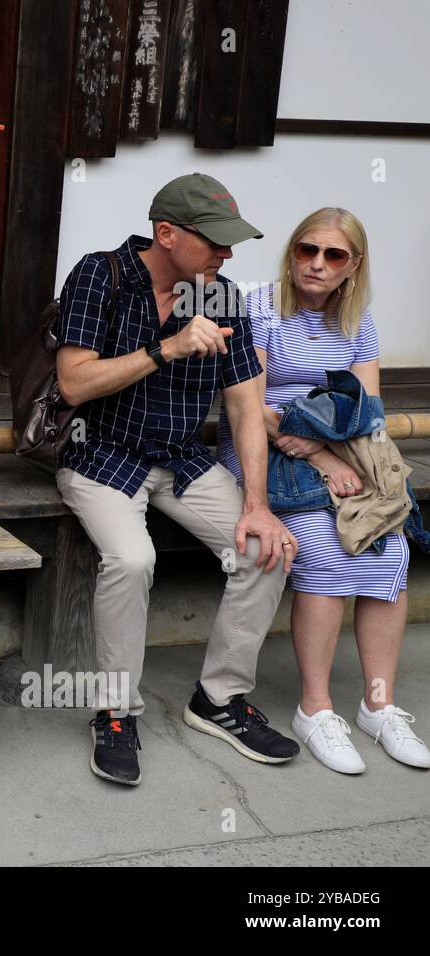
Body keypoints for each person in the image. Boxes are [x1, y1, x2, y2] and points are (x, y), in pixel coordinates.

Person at [56, 172, 301, 786]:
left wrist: (257, 503)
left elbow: (247, 406)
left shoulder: (221, 296)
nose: (227, 254)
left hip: (182, 460)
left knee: (265, 549)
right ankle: (115, 712)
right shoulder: (101, 274)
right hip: (101, 456)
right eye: (215, 241)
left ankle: (217, 698)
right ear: (167, 234)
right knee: (132, 559)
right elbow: (73, 383)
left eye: (230, 243)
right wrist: (165, 349)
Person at [215, 207, 430, 773]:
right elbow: (249, 405)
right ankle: (315, 709)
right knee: (327, 546)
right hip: (265, 451)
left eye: (333, 255)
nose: (316, 264)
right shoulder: (258, 306)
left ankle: (378, 704)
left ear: (353, 266)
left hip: (337, 453)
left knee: (391, 549)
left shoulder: (360, 322)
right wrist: (319, 450)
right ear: (291, 253)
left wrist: (345, 459)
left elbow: (368, 408)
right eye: (306, 250)